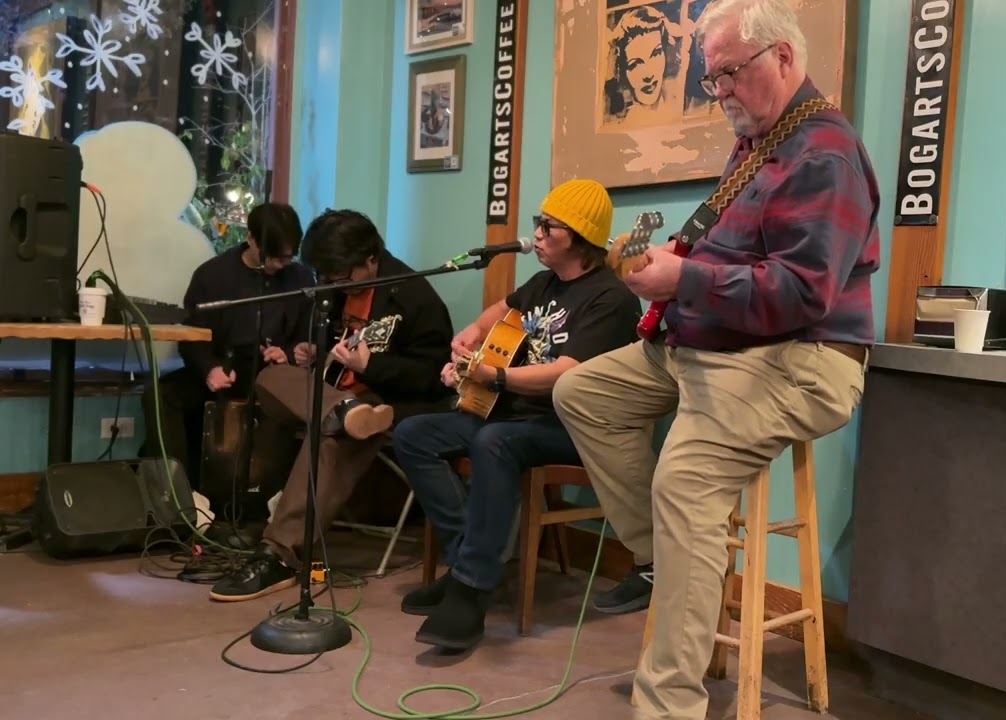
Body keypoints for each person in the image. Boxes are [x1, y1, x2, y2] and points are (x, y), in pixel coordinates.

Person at [551, 1, 882, 717]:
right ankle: (664, 562)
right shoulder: (760, 142)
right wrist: (678, 260)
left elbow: (801, 293)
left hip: (802, 358)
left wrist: (685, 279)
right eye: (712, 78)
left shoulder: (823, 153)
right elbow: (734, 256)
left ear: (784, 59)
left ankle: (669, 704)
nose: (721, 91)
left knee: (686, 482)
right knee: (582, 394)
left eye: (730, 74)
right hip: (718, 344)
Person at [391, 179, 640, 650]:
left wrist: (495, 377)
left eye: (550, 227)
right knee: (413, 433)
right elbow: (495, 314)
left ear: (582, 237)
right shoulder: (543, 282)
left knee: (495, 440)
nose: (538, 235)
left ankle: (471, 592)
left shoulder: (612, 299)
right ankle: (470, 562)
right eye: (537, 224)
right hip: (511, 414)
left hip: (573, 427)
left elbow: (565, 375)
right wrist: (467, 339)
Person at [208, 209, 456, 602]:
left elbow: (432, 376)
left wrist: (370, 365)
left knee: (333, 432)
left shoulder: (413, 296)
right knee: (269, 379)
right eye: (327, 277)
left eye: (342, 276)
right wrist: (309, 352)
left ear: (371, 259)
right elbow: (328, 347)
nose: (334, 284)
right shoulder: (332, 288)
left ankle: (279, 554)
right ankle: (341, 410)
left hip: (384, 400)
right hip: (335, 393)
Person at [139, 202, 312, 494]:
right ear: (251, 239)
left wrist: (290, 352)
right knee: (160, 395)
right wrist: (209, 369)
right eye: (272, 257)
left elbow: (307, 335)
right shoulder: (213, 275)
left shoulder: (301, 278)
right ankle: (180, 494)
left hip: (272, 374)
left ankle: (269, 498)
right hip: (224, 366)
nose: (279, 265)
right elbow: (191, 337)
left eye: (287, 257)